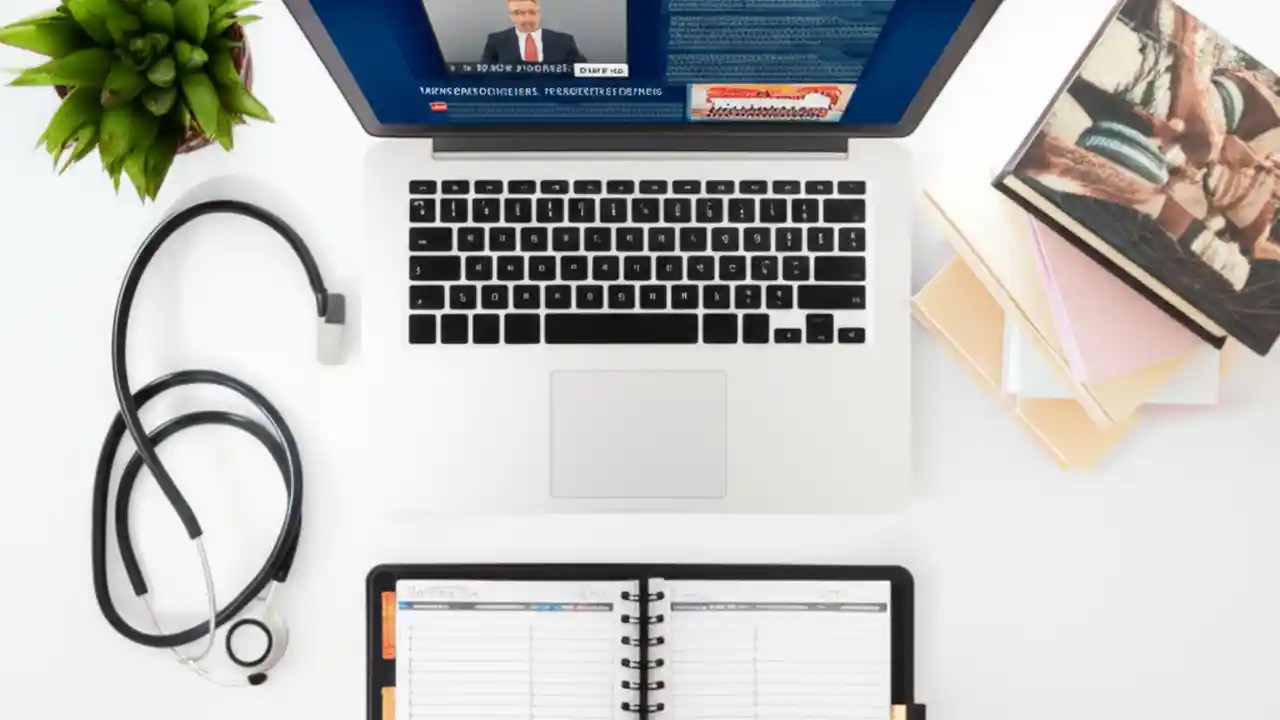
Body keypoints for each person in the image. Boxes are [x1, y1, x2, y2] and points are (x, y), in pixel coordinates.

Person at [481, 0, 588, 65]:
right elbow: (484, 75)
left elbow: (582, 71)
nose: (527, 18)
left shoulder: (564, 41)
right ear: (511, 17)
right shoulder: (496, 41)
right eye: (519, 13)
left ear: (539, 13)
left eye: (532, 12)